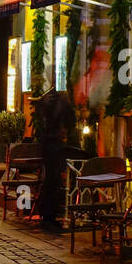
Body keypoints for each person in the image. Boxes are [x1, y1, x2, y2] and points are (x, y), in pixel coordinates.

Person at [34, 89, 76, 232]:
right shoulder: (58, 103)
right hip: (53, 145)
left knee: (53, 179)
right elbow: (68, 122)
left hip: (51, 144)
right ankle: (48, 216)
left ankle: (49, 216)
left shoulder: (49, 102)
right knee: (53, 179)